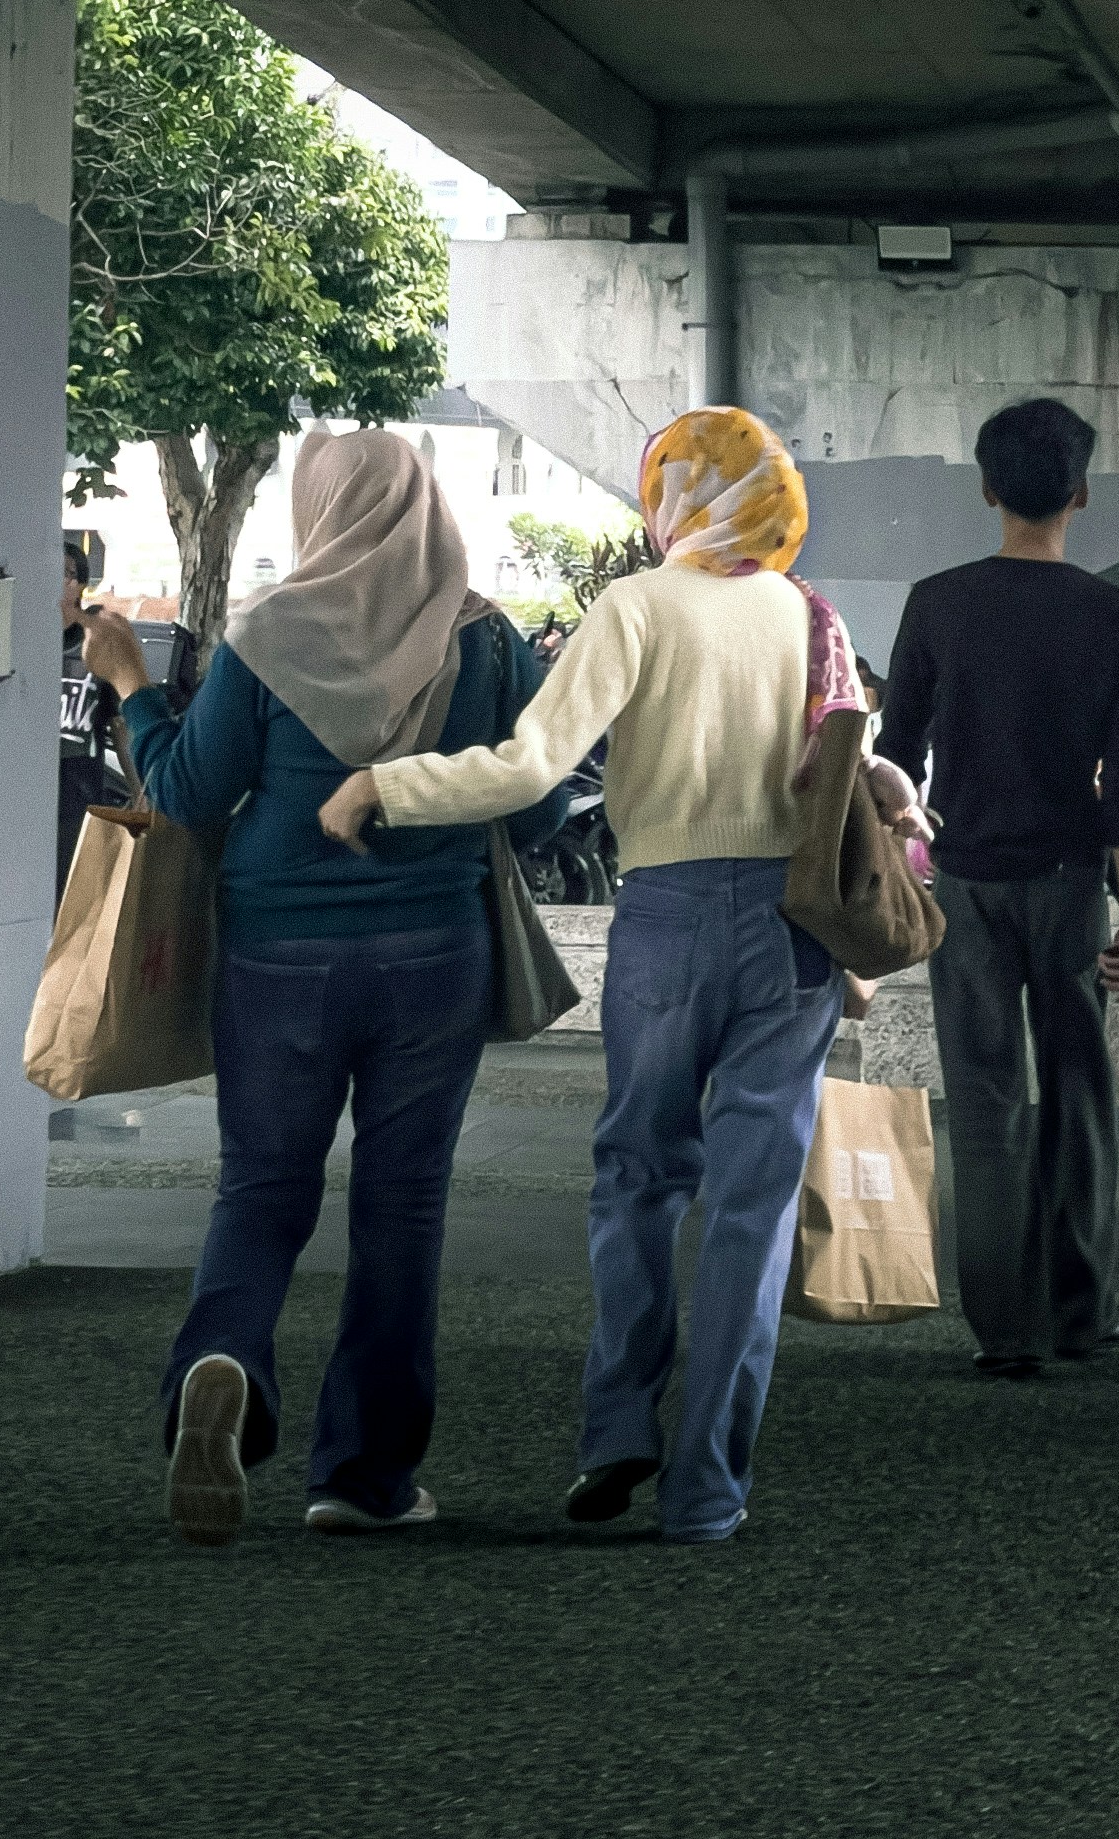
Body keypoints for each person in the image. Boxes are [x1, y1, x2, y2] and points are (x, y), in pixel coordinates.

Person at [326, 405, 846, 1545]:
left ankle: (618, 1429)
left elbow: (532, 767)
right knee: (752, 1212)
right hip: (791, 932)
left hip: (663, 919)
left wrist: (389, 788)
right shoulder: (807, 614)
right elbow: (855, 773)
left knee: (638, 1178)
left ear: (676, 494)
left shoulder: (639, 605)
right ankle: (708, 1489)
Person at [85, 429, 562, 1547]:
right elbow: (540, 811)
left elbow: (189, 792)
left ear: (318, 507)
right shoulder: (485, 638)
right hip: (434, 954)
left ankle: (221, 1362)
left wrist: (132, 688)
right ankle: (365, 1477)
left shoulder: (269, 635)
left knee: (261, 1189)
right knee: (403, 1206)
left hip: (275, 956)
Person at [886, 398, 1119, 1376]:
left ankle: (1005, 1330)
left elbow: (895, 752)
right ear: (1080, 494)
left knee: (987, 1099)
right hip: (1072, 879)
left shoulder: (937, 601)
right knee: (1081, 1093)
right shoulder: (1114, 616)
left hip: (966, 884)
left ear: (989, 488)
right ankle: (1082, 1312)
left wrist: (904, 855)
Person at [56, 529, 135, 896]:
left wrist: (140, 791)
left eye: (66, 572)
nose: (56, 580)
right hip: (30, 796)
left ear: (80, 585)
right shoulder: (25, 645)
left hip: (80, 796)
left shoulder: (92, 649)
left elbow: (120, 728)